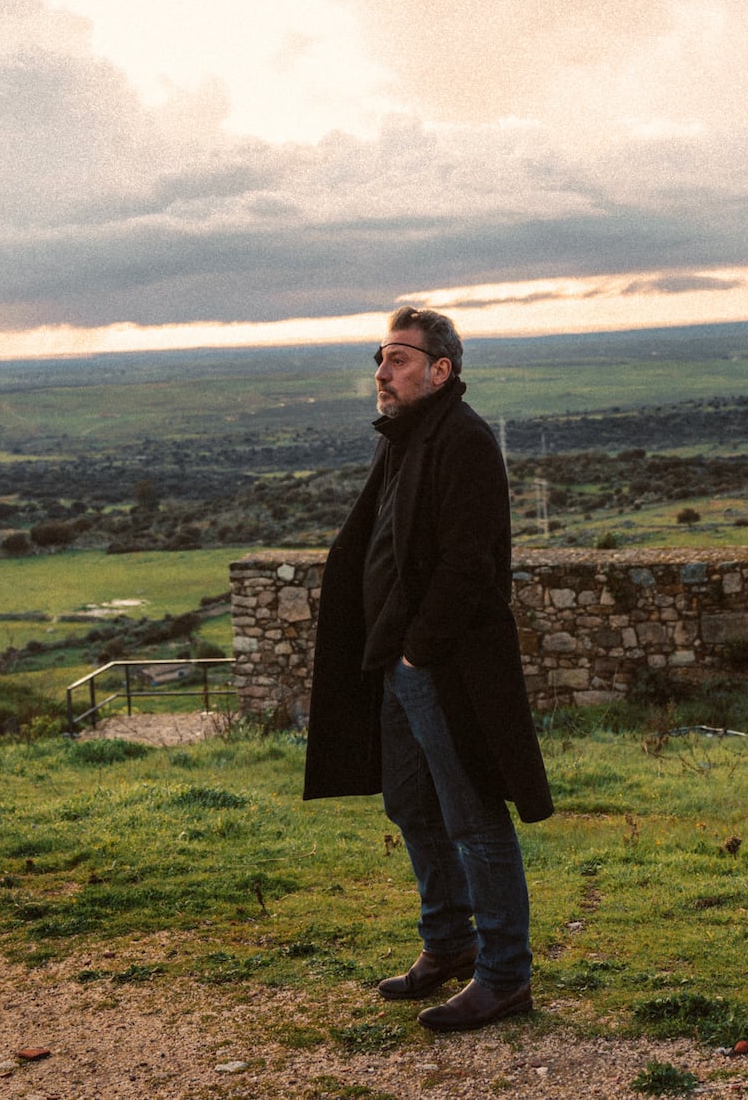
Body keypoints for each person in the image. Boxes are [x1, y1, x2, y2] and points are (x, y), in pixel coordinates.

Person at [304, 305, 554, 1031]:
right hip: (397, 661)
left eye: (399, 359)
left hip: (442, 667)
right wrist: (392, 649)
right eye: (379, 359)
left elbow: (468, 563)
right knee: (411, 805)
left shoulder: (465, 441)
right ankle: (449, 943)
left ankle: (505, 975)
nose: (382, 374)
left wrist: (420, 648)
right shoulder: (405, 437)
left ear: (441, 369)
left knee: (474, 814)